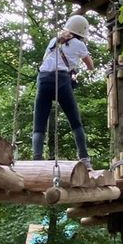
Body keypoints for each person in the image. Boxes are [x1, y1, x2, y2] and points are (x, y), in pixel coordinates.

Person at [32, 14, 95, 169]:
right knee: (75, 121)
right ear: (82, 32)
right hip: (61, 79)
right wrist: (78, 68)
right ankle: (85, 159)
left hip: (43, 79)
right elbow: (90, 65)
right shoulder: (79, 44)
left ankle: (37, 159)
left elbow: (47, 59)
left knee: (39, 122)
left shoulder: (54, 41)